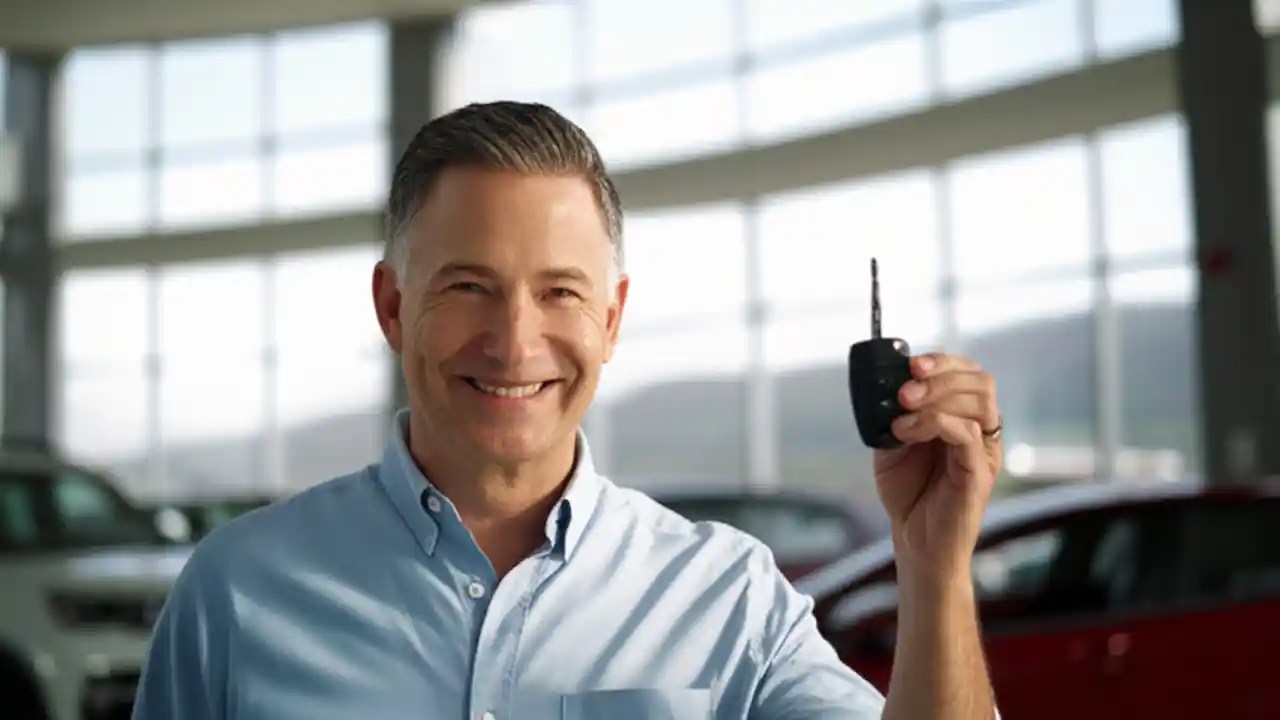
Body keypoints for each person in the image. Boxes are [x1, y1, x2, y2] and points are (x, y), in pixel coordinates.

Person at [132, 101, 1004, 719]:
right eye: (470, 287)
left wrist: (933, 565)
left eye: (559, 292)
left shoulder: (731, 600)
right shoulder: (235, 596)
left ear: (612, 318)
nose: (516, 344)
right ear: (393, 309)